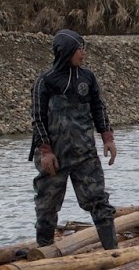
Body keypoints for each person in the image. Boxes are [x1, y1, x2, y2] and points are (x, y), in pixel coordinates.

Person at [29, 28, 118, 249]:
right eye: (79, 48)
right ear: (66, 51)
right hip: (54, 157)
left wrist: (107, 137)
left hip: (85, 154)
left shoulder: (87, 77)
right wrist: (46, 152)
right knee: (47, 204)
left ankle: (112, 251)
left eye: (84, 48)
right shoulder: (45, 81)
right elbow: (37, 119)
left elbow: (99, 107)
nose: (83, 53)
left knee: (98, 200)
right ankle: (44, 252)